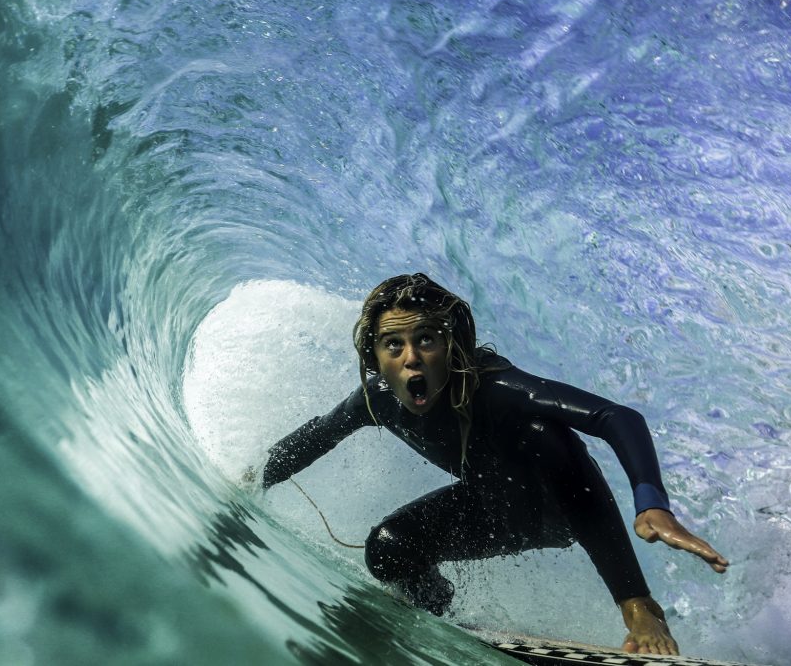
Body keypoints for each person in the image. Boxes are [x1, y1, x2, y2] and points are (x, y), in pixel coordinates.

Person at [257, 273, 728, 655]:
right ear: (376, 358)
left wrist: (652, 502)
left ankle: (636, 603)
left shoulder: (495, 390)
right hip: (493, 510)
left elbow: (615, 416)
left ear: (452, 346)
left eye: (426, 339)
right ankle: (439, 609)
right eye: (393, 345)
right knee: (386, 549)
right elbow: (319, 433)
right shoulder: (377, 400)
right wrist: (254, 480)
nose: (412, 359)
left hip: (559, 507)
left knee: (546, 432)